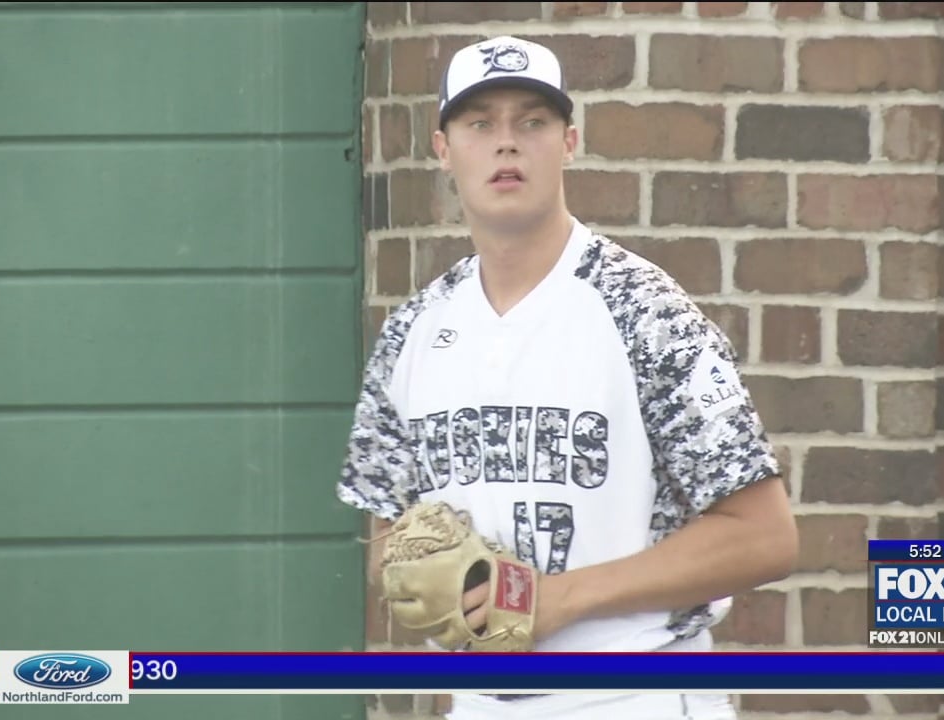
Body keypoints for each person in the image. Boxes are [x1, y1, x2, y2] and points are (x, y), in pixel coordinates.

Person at [336, 35, 799, 720]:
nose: (507, 143)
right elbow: (387, 530)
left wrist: (557, 598)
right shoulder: (414, 331)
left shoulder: (642, 308)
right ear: (443, 148)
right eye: (479, 123)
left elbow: (766, 536)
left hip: (633, 693)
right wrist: (418, 571)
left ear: (569, 141)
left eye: (532, 121)